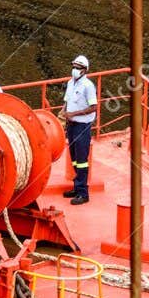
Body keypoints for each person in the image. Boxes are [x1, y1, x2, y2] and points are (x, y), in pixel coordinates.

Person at [61, 54, 97, 205]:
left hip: (82, 126)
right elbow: (67, 101)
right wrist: (64, 112)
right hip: (72, 125)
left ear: (84, 70)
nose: (75, 69)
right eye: (74, 67)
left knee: (82, 160)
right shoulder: (71, 83)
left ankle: (83, 193)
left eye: (78, 67)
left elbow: (94, 107)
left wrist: (74, 114)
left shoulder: (88, 86)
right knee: (74, 158)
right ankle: (77, 187)